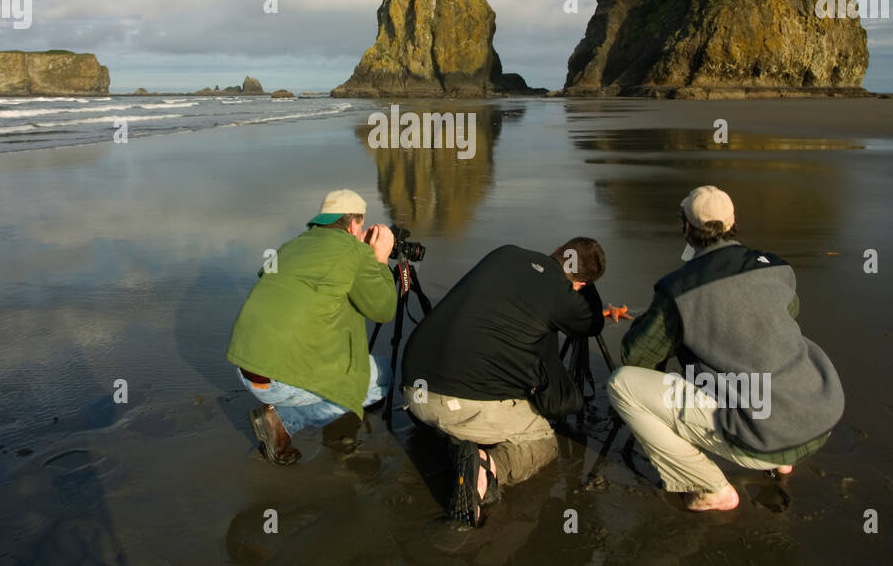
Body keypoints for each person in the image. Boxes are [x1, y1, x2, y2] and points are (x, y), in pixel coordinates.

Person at [607, 185, 844, 511]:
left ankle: (711, 489)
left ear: (687, 229)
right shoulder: (775, 266)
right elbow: (789, 313)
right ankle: (782, 461)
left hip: (762, 436)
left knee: (622, 384)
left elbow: (635, 358)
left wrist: (669, 329)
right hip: (819, 419)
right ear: (733, 223)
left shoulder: (677, 287)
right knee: (784, 344)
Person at [401, 237, 631, 526]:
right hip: (455, 402)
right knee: (543, 440)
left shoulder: (505, 253)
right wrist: (585, 288)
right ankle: (488, 467)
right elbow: (591, 323)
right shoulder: (561, 293)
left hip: (411, 390)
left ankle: (449, 432)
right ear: (580, 285)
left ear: (559, 247)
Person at [226, 189, 397, 465]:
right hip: (278, 381)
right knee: (385, 375)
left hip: (245, 367)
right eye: (362, 225)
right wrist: (379, 259)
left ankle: (286, 404)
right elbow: (384, 309)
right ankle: (284, 420)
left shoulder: (293, 245)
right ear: (354, 224)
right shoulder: (354, 252)